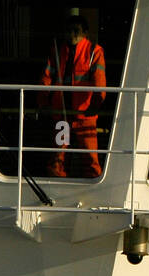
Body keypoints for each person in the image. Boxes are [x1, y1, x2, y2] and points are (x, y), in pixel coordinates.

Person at [39, 10, 106, 178]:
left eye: (76, 30)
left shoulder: (94, 51)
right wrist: (44, 104)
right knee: (58, 159)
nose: (72, 34)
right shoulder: (57, 51)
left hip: (85, 115)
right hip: (62, 114)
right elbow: (46, 78)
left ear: (85, 33)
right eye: (69, 30)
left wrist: (95, 105)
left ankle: (93, 192)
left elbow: (100, 81)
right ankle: (56, 189)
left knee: (90, 159)